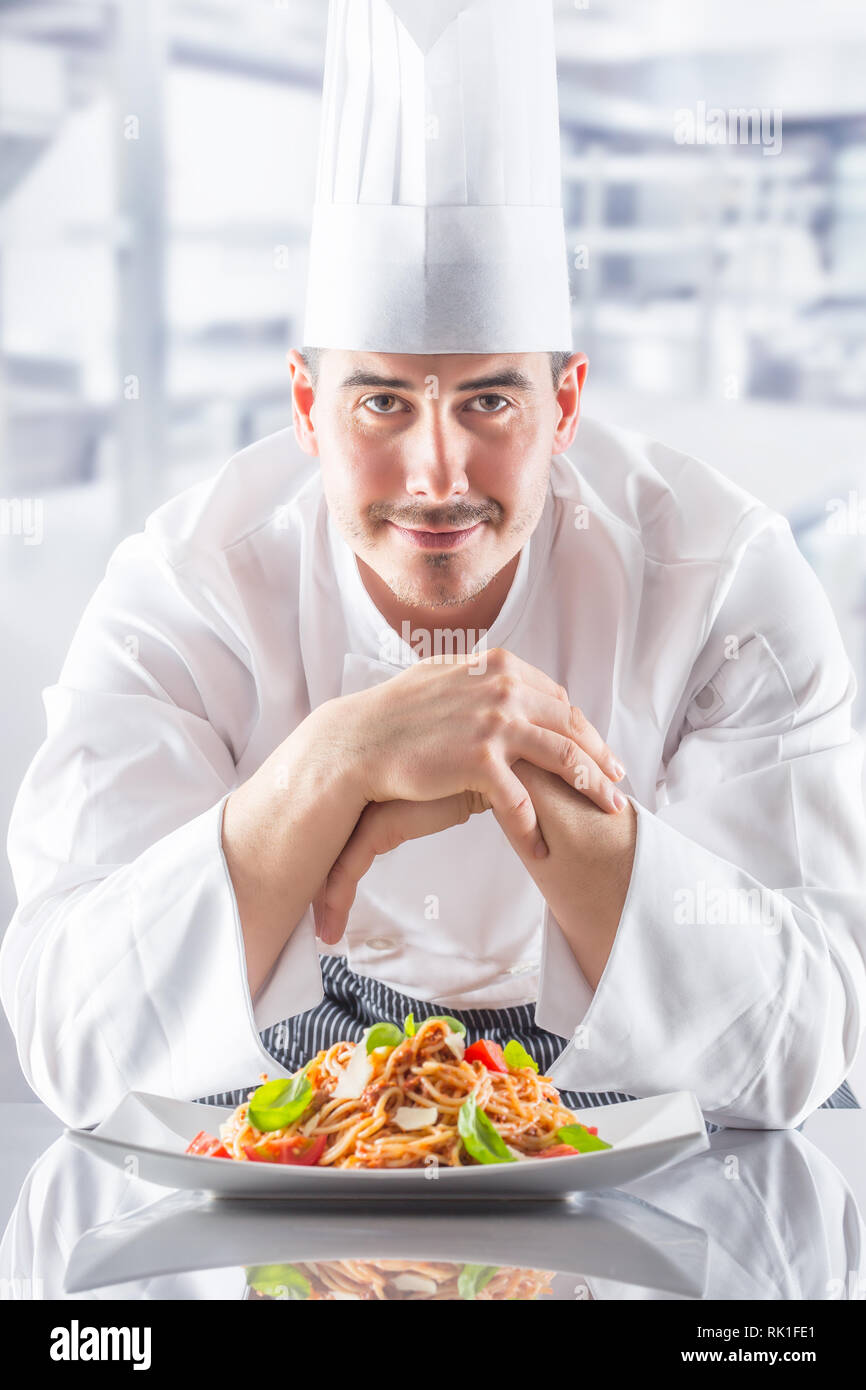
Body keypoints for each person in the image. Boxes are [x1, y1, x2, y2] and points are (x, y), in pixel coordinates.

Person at [2, 0, 865, 1132]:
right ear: (307, 406)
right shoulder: (188, 587)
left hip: (641, 1130)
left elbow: (798, 1047)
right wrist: (334, 761)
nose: (435, 469)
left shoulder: (718, 579)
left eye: (489, 398)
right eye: (382, 400)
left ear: (565, 401)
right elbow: (72, 1036)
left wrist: (510, 758)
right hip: (289, 1120)